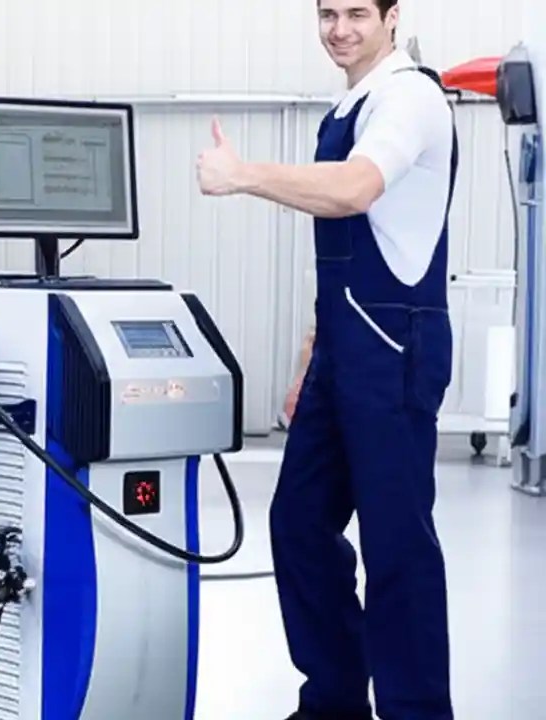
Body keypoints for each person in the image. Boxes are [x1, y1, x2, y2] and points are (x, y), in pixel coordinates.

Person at [196, 1, 458, 719]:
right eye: (327, 14)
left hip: (395, 349)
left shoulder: (409, 98)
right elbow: (343, 257)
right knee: (300, 524)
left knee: (396, 542)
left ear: (393, 17)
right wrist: (311, 357)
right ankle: (335, 703)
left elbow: (353, 190)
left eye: (357, 14)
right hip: (343, 349)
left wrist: (242, 174)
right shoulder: (348, 109)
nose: (339, 29)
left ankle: (417, 710)